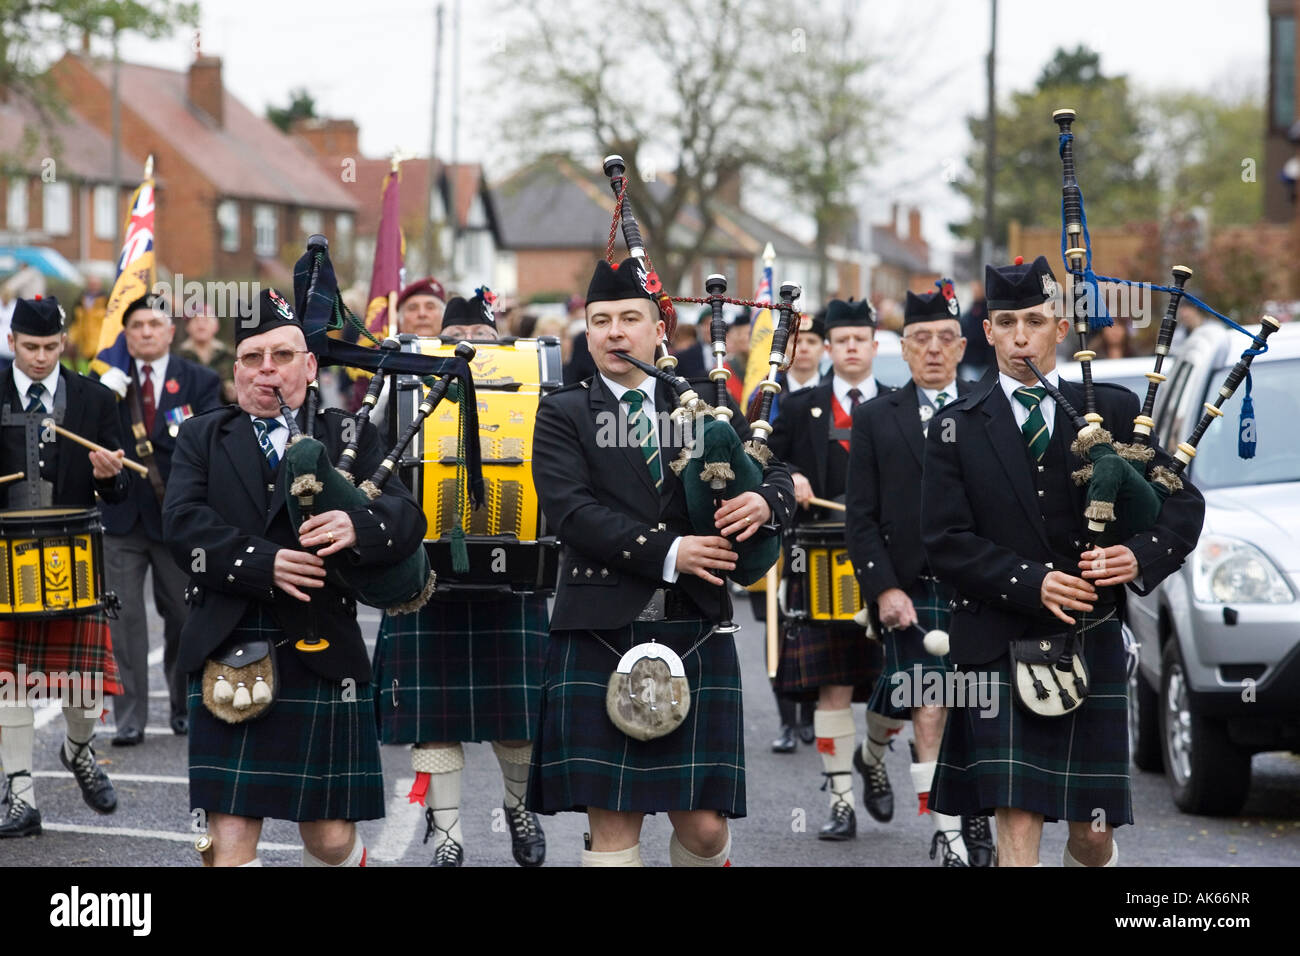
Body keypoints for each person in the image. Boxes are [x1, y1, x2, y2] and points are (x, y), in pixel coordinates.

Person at [921, 255, 1205, 867]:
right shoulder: (955, 426)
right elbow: (943, 541)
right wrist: (1034, 582)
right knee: (1016, 817)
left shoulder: (1118, 410)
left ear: (1059, 326)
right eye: (1006, 321)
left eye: (1033, 320)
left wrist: (1136, 554)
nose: (1021, 335)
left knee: (1092, 834)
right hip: (997, 643)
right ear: (987, 331)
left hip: (1091, 638)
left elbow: (1181, 510)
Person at [528, 257, 794, 866]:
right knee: (614, 818)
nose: (615, 332)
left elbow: (774, 473)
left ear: (659, 331)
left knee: (703, 827)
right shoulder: (563, 412)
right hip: (599, 627)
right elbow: (572, 513)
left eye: (629, 318)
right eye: (601, 321)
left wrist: (764, 502)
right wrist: (673, 551)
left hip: (693, 625)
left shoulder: (703, 409)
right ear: (586, 332)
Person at [163, 288, 427, 867]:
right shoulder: (202, 436)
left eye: (282, 356)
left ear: (309, 365)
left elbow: (408, 518)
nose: (267, 371)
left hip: (321, 648)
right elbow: (182, 526)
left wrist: (358, 524)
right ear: (234, 370)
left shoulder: (349, 436)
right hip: (227, 646)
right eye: (253, 358)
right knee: (228, 845)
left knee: (330, 840)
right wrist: (263, 563)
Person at [372, 288, 549, 867]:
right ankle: (447, 835)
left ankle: (519, 808)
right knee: (435, 721)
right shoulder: (403, 393)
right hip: (427, 574)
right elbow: (374, 457)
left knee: (518, 719)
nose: (469, 352)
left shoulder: (536, 396)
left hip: (512, 572)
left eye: (484, 341)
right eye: (457, 341)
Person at [845, 280, 992, 867]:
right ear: (902, 349)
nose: (933, 349)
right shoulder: (877, 418)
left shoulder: (988, 408)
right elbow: (861, 519)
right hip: (910, 587)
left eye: (945, 339)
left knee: (970, 705)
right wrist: (883, 588)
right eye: (920, 339)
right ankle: (952, 835)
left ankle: (875, 750)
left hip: (978, 587)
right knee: (930, 700)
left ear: (962, 347)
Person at [0, 294, 129, 838]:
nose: (40, 357)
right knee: (11, 683)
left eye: (51, 347)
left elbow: (120, 492)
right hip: (6, 558)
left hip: (77, 557)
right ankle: (21, 797)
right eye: (30, 347)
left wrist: (107, 476)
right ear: (12, 343)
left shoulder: (96, 400)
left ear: (63, 343)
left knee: (85, 686)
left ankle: (78, 750)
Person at [768, 297, 896, 841]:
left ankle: (872, 753)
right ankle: (841, 799)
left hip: (889, 564)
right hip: (818, 561)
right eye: (838, 339)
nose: (849, 347)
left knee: (899, 685)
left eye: (859, 339)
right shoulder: (800, 408)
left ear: (873, 345)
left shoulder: (898, 405)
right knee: (833, 688)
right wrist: (788, 474)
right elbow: (764, 459)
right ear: (826, 347)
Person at [101, 295, 221, 745]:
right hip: (121, 518)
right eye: (137, 326)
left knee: (183, 616)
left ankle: (184, 705)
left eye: (155, 324)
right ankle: (129, 717)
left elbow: (209, 449)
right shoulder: (106, 384)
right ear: (125, 334)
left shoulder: (200, 381)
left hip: (178, 521)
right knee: (125, 621)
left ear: (172, 332)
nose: (146, 332)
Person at [178, 304, 236, 404]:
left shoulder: (230, 356)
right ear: (187, 327)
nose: (201, 325)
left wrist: (235, 396)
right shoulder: (177, 357)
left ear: (216, 326)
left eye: (206, 320)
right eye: (196, 321)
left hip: (223, 414)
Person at [69, 275, 107, 369]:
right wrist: (72, 337)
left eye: (95, 284)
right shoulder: (80, 300)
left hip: (99, 341)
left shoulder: (106, 300)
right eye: (91, 284)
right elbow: (75, 321)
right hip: (84, 339)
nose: (93, 286)